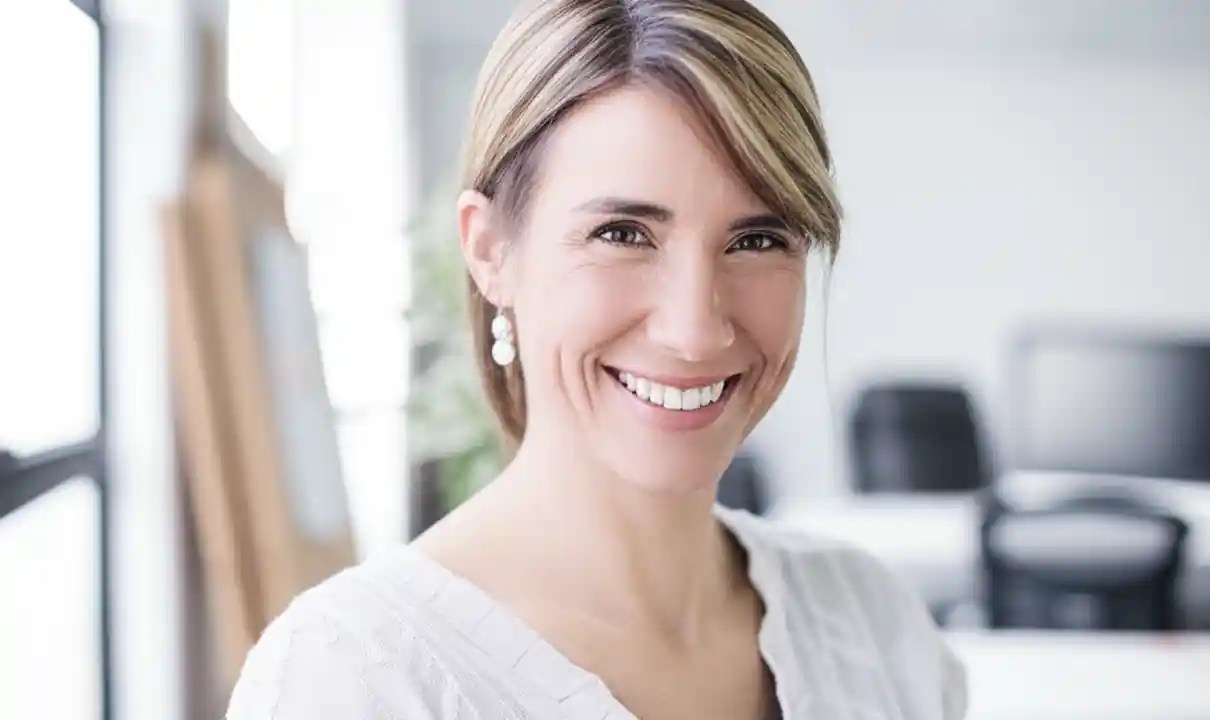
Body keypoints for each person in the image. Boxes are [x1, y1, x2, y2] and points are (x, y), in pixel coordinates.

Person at [227, 0, 968, 717]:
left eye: (756, 240)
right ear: (491, 251)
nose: (695, 331)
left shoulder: (878, 632)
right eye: (622, 233)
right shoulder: (351, 679)